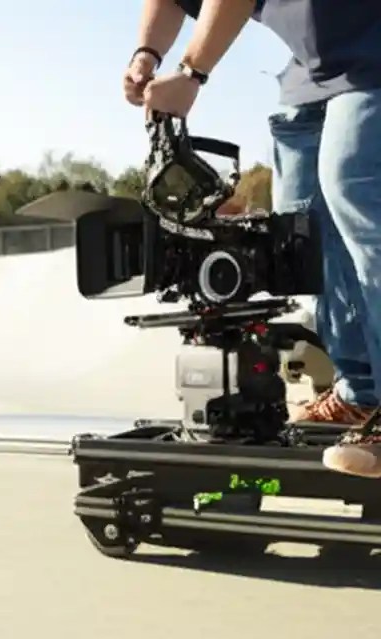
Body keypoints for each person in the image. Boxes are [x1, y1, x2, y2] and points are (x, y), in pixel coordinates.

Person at [122, 0, 381, 476]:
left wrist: (191, 72)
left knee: (357, 189)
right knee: (303, 230)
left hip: (372, 47)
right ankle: (361, 393)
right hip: (316, 69)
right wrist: (147, 54)